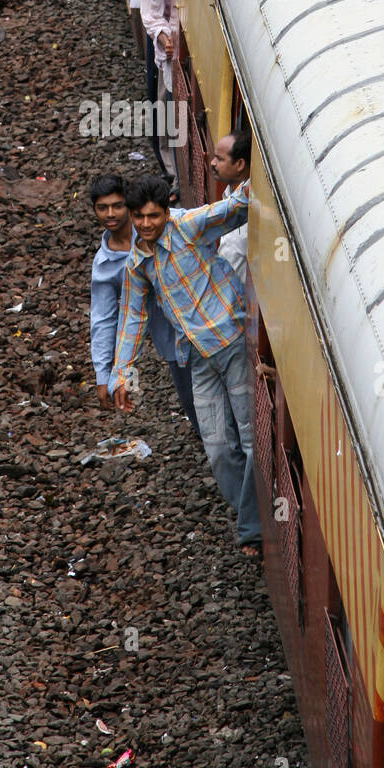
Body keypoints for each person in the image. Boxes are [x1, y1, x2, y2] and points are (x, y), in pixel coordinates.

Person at [109, 175, 261, 555]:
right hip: (196, 357)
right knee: (219, 449)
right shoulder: (137, 263)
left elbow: (233, 210)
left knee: (250, 440)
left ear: (166, 212)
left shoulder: (188, 226)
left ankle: (252, 531)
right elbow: (131, 317)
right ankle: (253, 514)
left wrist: (252, 180)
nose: (147, 225)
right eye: (140, 217)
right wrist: (122, 374)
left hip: (231, 342)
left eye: (154, 216)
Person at [89, 174, 199, 431]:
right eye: (102, 208)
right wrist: (103, 376)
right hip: (172, 342)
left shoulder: (170, 225)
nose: (110, 214)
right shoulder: (105, 265)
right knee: (196, 409)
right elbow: (104, 319)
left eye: (117, 206)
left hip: (206, 326)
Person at [139, 0, 180, 198]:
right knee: (165, 118)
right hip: (166, 59)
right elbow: (150, 14)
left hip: (182, 57)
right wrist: (164, 35)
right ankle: (173, 175)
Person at [210, 126, 252, 285]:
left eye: (220, 159)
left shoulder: (251, 208)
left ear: (240, 164)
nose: (212, 163)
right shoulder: (230, 196)